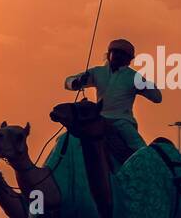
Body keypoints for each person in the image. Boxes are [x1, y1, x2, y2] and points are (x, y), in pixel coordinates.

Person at [63, 38, 162, 167]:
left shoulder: (134, 77)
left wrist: (147, 86)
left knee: (141, 150)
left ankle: (151, 169)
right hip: (97, 119)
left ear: (128, 59)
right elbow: (68, 81)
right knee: (67, 139)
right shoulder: (98, 72)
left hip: (122, 121)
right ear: (109, 54)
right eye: (115, 52)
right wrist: (77, 81)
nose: (117, 56)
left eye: (122, 54)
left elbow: (157, 98)